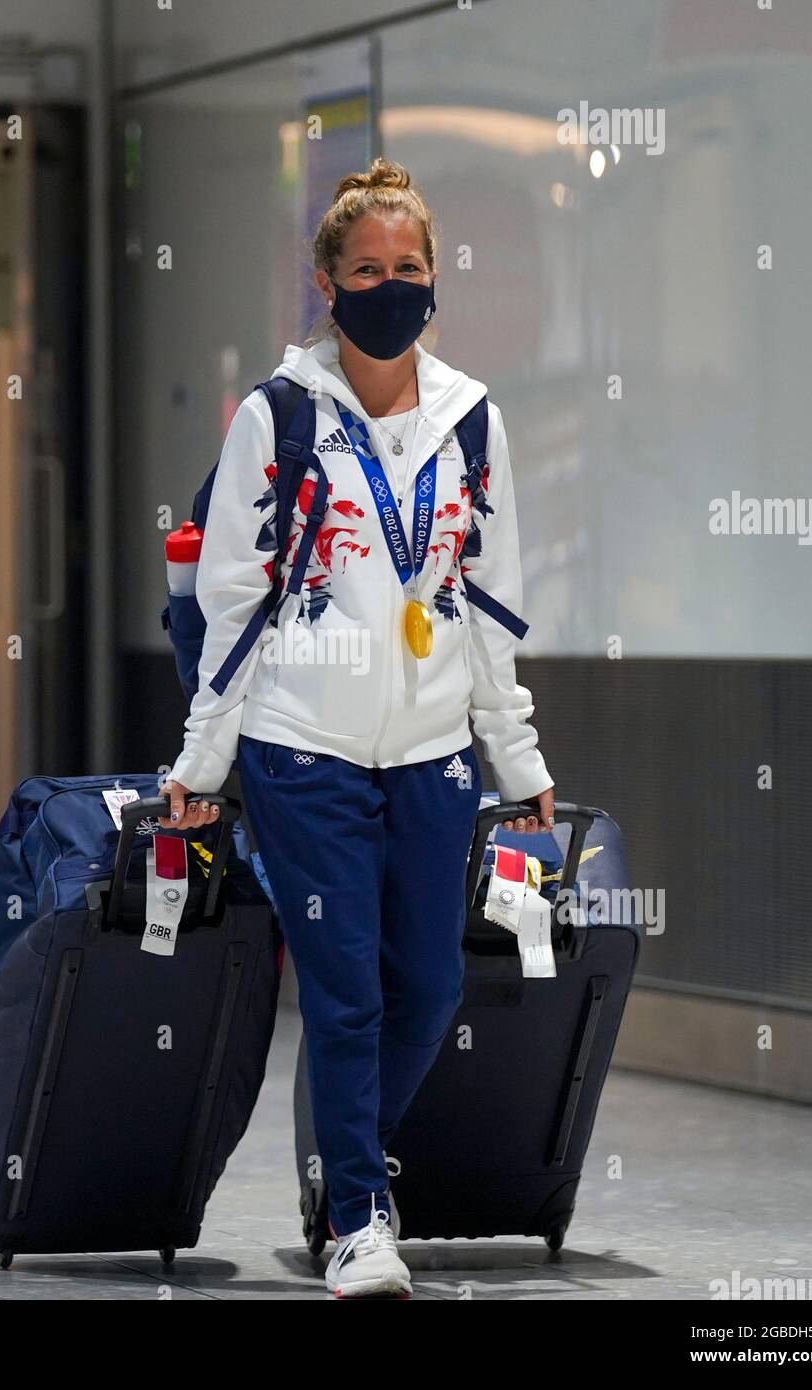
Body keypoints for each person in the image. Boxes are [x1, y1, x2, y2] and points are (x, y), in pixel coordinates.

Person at [161, 156, 554, 1299]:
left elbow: (487, 611)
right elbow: (231, 610)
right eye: (369, 269)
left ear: (436, 278)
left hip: (433, 757)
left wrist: (517, 760)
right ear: (326, 286)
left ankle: (342, 1169)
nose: (393, 285)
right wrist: (204, 764)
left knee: (428, 988)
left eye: (411, 267)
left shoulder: (472, 420)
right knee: (347, 992)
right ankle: (358, 1223)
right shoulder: (276, 420)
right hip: (301, 751)